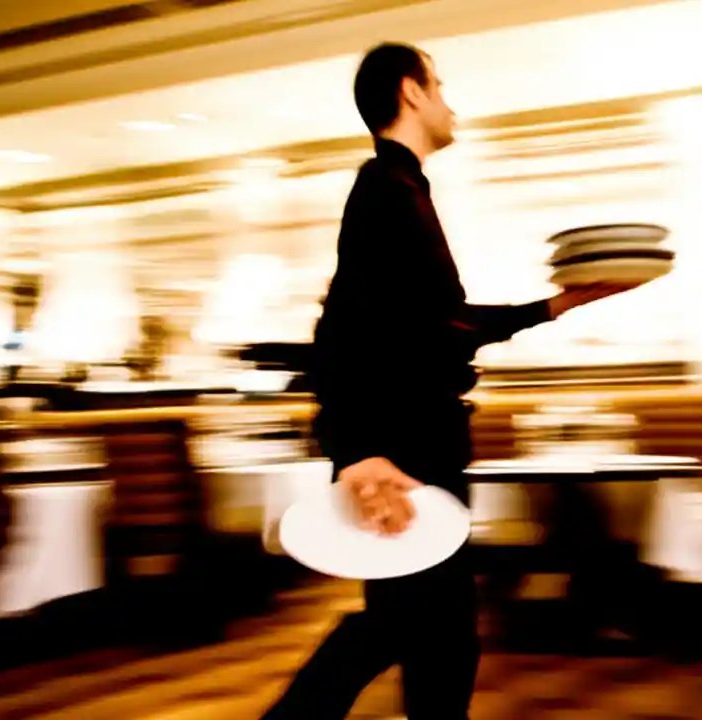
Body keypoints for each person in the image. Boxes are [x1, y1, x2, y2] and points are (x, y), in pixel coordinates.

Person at [261, 42, 634, 720]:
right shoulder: (383, 189)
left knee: (439, 632)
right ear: (410, 92)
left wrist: (558, 305)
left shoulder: (402, 191)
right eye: (441, 85)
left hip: (418, 445)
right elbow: (341, 334)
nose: (450, 101)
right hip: (403, 454)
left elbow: (440, 325)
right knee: (411, 625)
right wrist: (355, 450)